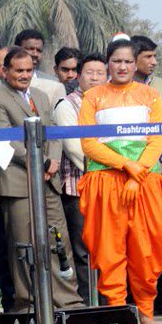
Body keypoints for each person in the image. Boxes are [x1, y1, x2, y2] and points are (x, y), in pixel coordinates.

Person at [79, 38, 162, 324]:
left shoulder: (151, 96)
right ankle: (118, 313)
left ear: (136, 64)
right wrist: (125, 166)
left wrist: (138, 172)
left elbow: (156, 140)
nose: (122, 67)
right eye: (117, 61)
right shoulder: (92, 97)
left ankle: (145, 314)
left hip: (144, 182)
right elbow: (89, 143)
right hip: (105, 181)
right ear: (108, 63)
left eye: (128, 62)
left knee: (147, 249)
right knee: (109, 251)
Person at [0, 47, 82, 311]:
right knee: (23, 247)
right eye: (19, 70)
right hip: (18, 184)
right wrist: (39, 161)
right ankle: (30, 304)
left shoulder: (41, 95)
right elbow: (7, 138)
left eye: (29, 70)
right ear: (5, 72)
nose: (25, 75)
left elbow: (54, 132)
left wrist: (51, 162)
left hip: (49, 181)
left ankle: (67, 302)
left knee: (58, 241)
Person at [53, 53, 106, 300]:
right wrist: (106, 169)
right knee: (83, 250)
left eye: (100, 73)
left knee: (108, 248)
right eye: (89, 73)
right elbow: (74, 150)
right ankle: (87, 305)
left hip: (109, 188)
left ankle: (112, 302)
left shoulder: (110, 103)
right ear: (79, 76)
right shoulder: (67, 105)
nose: (95, 78)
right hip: (79, 188)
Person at [13, 30, 66, 106]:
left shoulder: (53, 85)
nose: (35, 54)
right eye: (30, 49)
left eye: (39, 50)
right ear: (16, 50)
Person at [130, 35, 162, 114]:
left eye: (154, 56)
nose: (154, 62)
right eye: (148, 57)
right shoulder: (117, 86)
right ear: (132, 58)